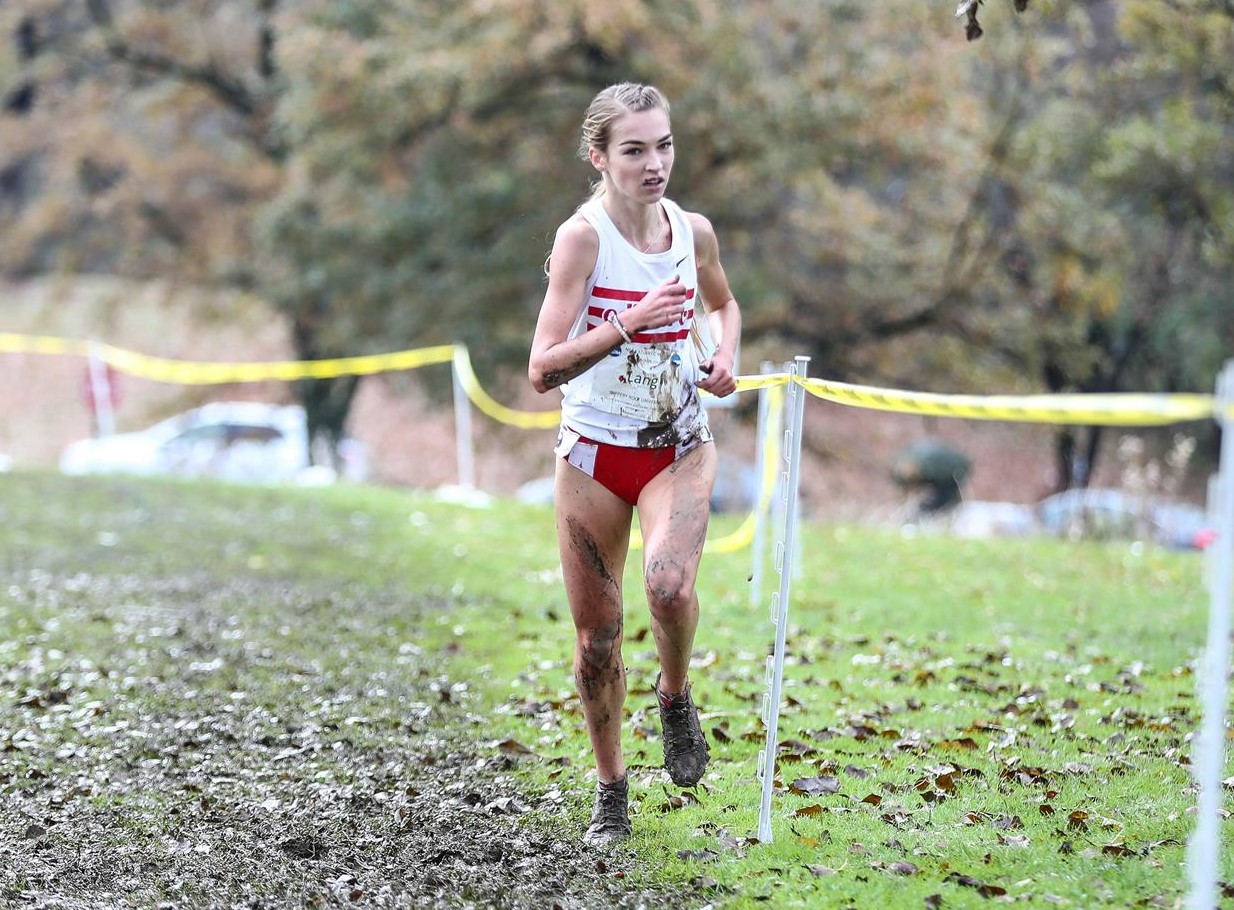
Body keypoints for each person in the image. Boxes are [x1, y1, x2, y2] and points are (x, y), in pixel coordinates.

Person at [528, 82, 742, 846]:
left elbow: (723, 306)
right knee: (598, 641)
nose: (656, 164)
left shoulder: (694, 231)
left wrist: (723, 356)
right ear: (599, 156)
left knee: (669, 582)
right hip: (592, 456)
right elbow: (541, 368)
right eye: (635, 150)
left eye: (665, 145)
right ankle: (611, 790)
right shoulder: (581, 240)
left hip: (677, 444)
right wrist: (625, 327)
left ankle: (676, 698)